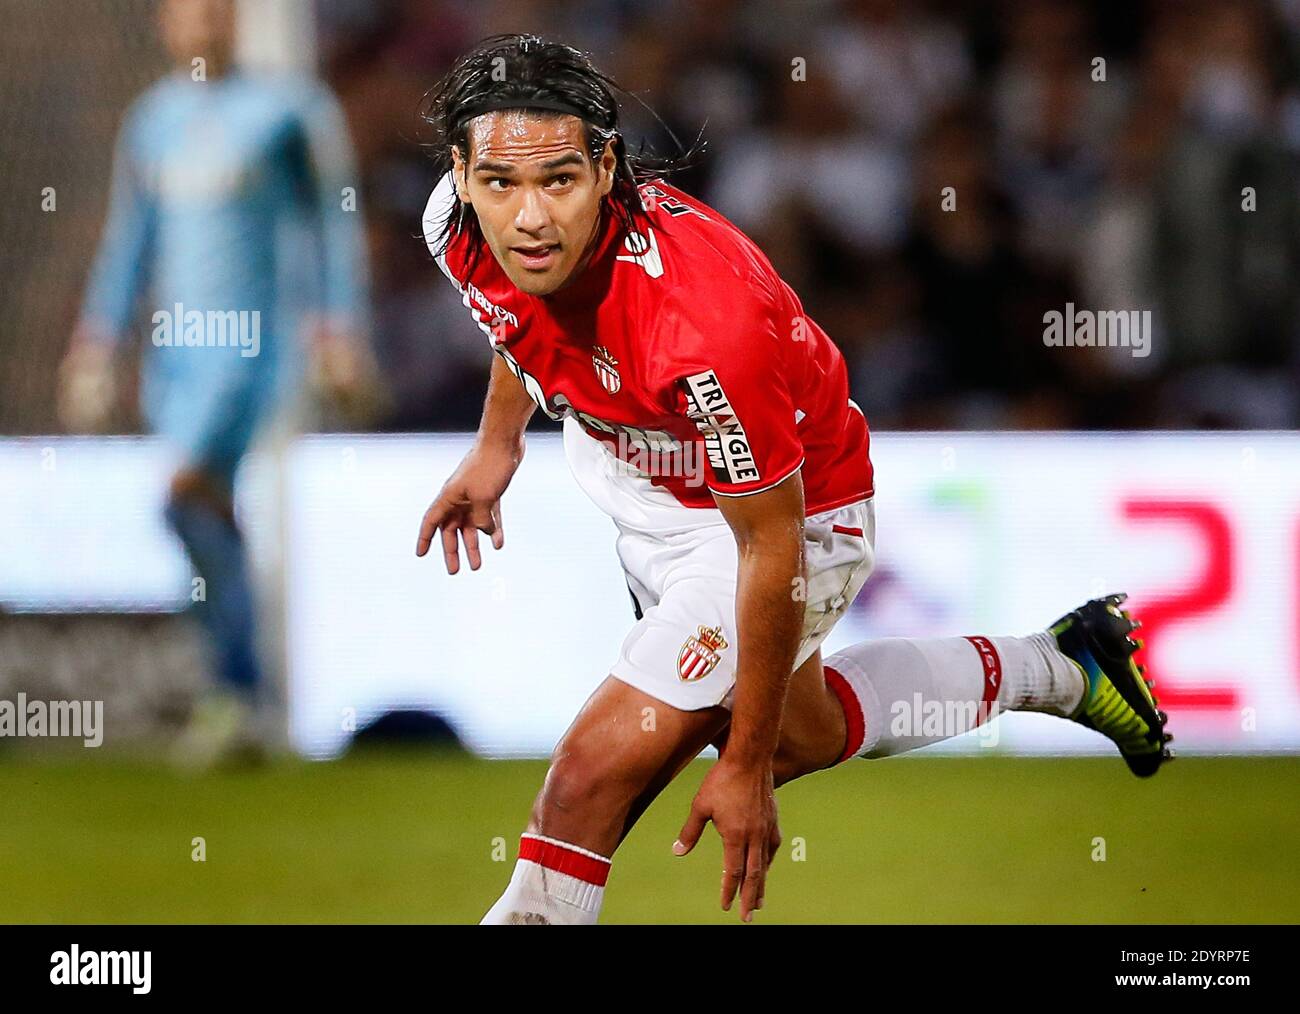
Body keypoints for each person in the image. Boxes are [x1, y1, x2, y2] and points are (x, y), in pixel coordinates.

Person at [415, 34, 1172, 925]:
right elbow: (521, 309)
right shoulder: (454, 225)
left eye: (561, 182)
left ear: (608, 166)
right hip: (645, 485)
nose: (530, 218)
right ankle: (1070, 665)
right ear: (462, 175)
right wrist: (498, 444)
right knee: (800, 731)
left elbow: (770, 545)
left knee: (588, 781)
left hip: (787, 516)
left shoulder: (700, 326)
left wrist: (739, 769)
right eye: (501, 183)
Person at [59, 0, 375, 766]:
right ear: (167, 24)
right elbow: (129, 236)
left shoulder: (288, 111)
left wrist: (338, 329)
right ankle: (247, 700)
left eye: (213, 10)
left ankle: (236, 691)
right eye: (185, 11)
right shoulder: (153, 119)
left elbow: (332, 222)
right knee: (204, 515)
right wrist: (96, 342)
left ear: (234, 20)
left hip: (252, 352)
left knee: (184, 496)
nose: (199, 24)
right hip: (176, 361)